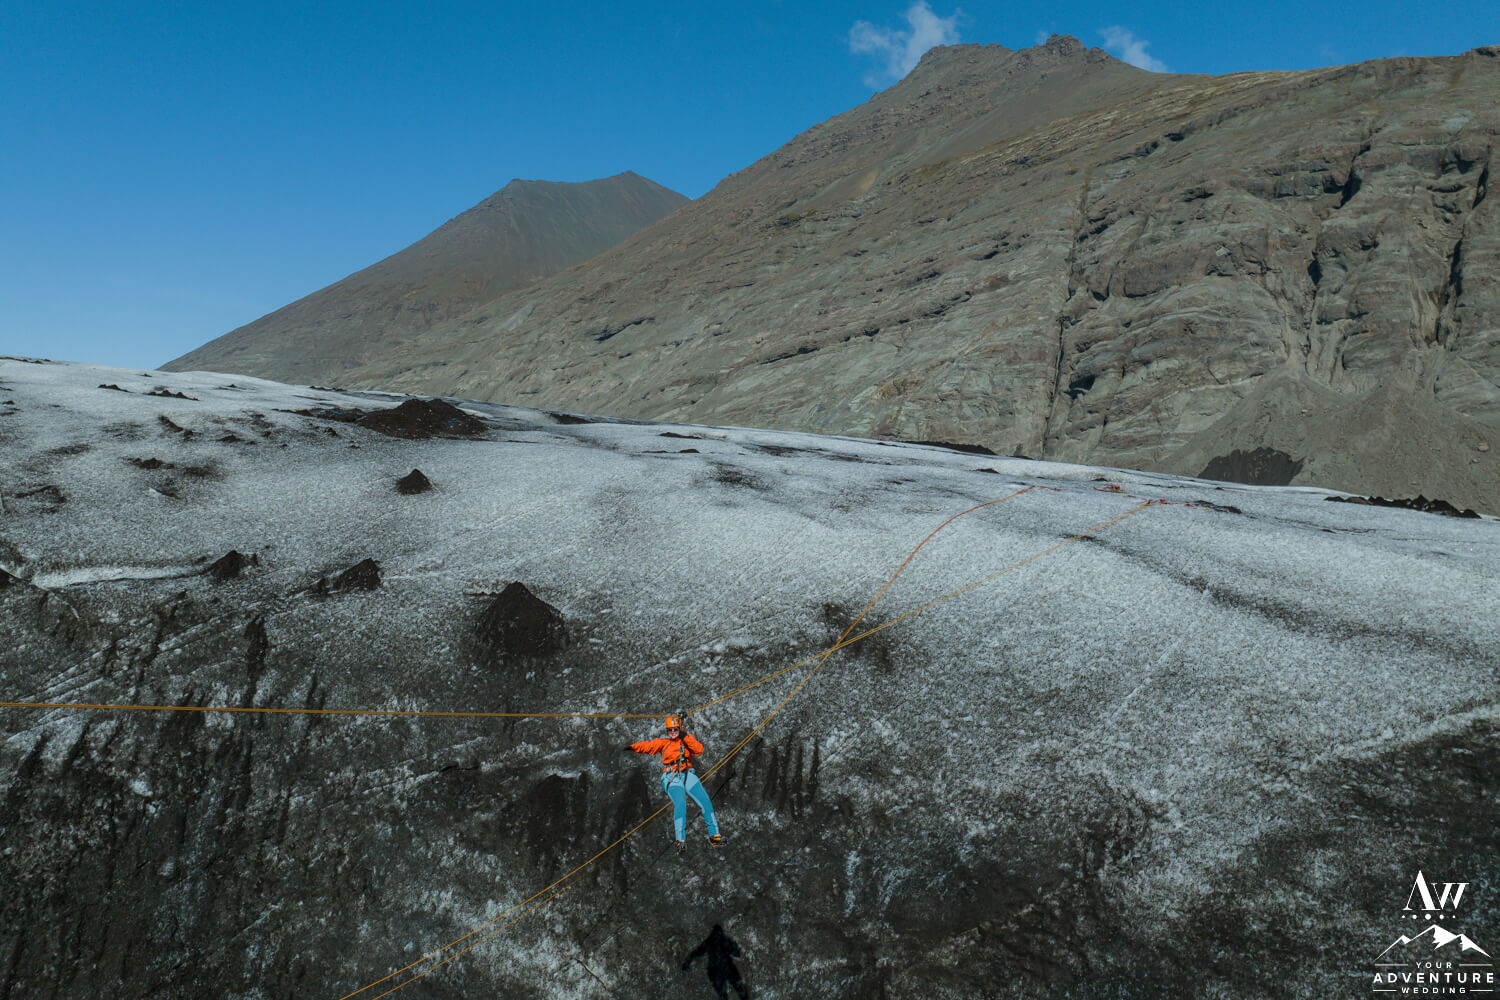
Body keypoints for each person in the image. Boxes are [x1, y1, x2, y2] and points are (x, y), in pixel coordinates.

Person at [629, 715, 723, 851]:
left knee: (706, 802)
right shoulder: (664, 743)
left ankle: (715, 836)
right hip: (671, 777)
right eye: (669, 730)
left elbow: (698, 750)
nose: (672, 732)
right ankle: (680, 840)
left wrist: (685, 736)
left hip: (687, 774)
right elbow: (648, 746)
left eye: (675, 729)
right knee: (681, 803)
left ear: (679, 729)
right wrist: (632, 747)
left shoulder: (686, 740)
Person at [683, 923, 749, 1000]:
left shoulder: (710, 942)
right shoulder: (723, 940)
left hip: (718, 970)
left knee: (726, 994)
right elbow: (737, 953)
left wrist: (687, 962)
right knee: (739, 991)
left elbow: (696, 953)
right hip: (724, 969)